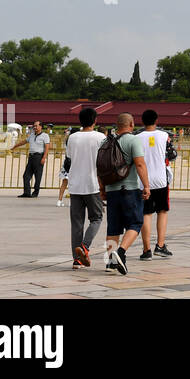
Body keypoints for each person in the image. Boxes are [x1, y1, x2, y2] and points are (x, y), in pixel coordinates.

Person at [100, 113, 150, 276]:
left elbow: (100, 167)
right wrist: (147, 186)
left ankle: (110, 263)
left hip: (111, 190)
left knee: (113, 227)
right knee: (135, 223)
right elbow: (140, 164)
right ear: (131, 124)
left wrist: (102, 189)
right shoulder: (133, 140)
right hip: (129, 188)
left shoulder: (106, 141)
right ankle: (120, 253)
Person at [65, 107, 106, 270]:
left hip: (75, 184)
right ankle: (85, 247)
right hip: (93, 184)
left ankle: (77, 259)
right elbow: (103, 162)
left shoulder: (72, 138)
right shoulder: (100, 137)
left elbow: (69, 159)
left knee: (76, 223)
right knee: (96, 218)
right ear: (95, 120)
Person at [138, 109, 173, 259]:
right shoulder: (164, 136)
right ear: (156, 120)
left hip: (142, 181)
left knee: (146, 214)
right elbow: (172, 155)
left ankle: (146, 250)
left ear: (142, 121)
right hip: (160, 180)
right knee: (162, 211)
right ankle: (160, 245)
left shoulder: (137, 137)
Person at [19, 121, 49, 198]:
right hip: (31, 157)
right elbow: (24, 142)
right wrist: (15, 146)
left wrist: (44, 158)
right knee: (26, 176)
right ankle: (27, 193)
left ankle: (35, 192)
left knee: (37, 176)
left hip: (39, 157)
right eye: (34, 126)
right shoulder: (31, 135)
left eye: (36, 126)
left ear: (41, 126)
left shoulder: (45, 136)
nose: (34, 127)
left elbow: (47, 147)